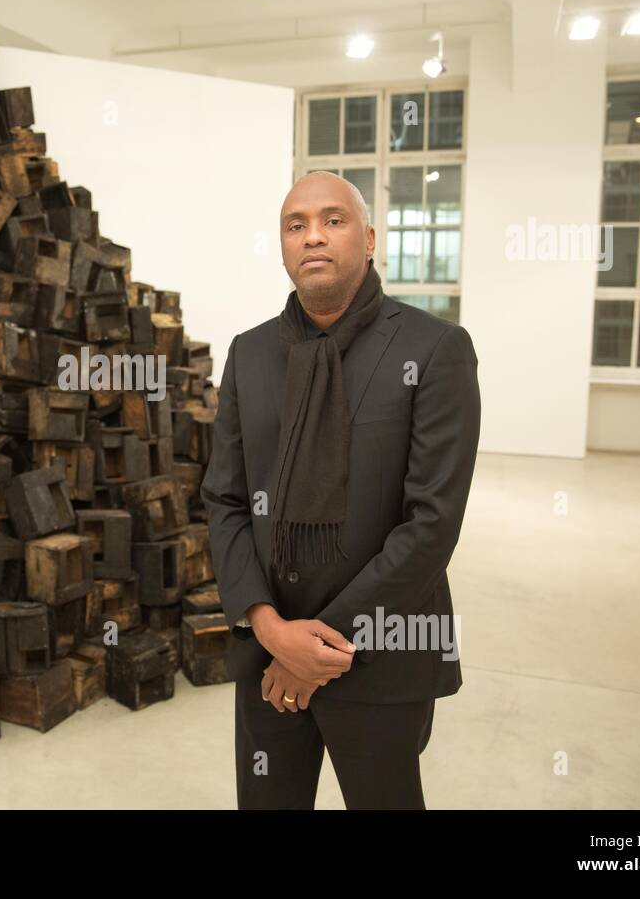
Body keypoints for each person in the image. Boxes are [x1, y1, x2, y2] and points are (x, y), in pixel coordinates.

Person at [199, 170, 481, 809]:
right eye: (295, 225)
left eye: (333, 220)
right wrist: (269, 629)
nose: (313, 237)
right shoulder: (250, 354)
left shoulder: (436, 349)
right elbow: (226, 500)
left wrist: (312, 647)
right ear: (282, 245)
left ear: (371, 238)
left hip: (380, 650)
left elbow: (430, 522)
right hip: (269, 651)